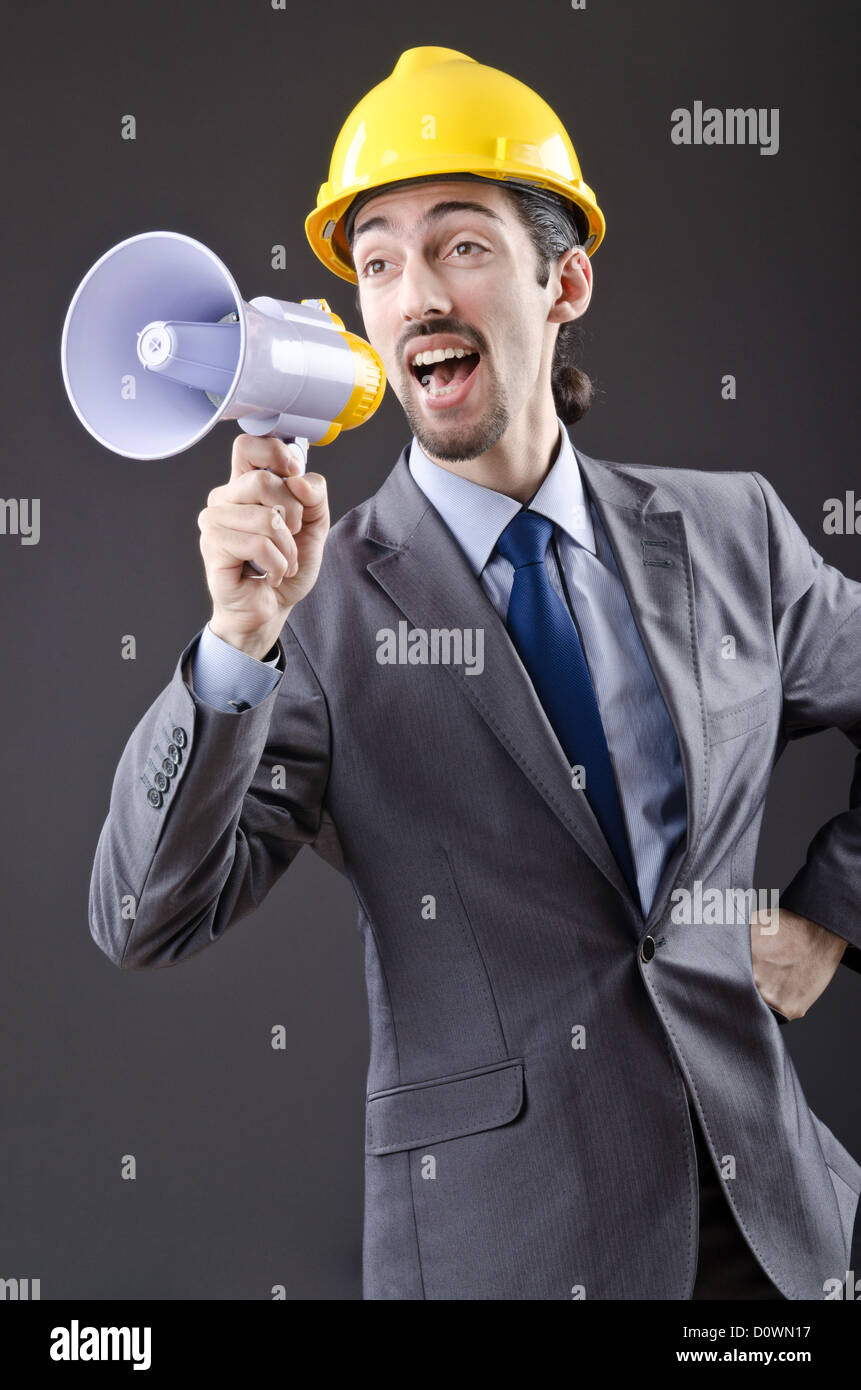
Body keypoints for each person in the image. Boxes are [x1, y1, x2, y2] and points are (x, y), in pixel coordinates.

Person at [89, 46, 861, 1300]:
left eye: (460, 245)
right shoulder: (316, 612)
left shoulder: (734, 534)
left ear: (566, 281)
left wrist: (830, 909)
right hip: (514, 1253)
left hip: (778, 1238)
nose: (413, 294)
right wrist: (236, 643)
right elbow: (143, 914)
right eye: (378, 262)